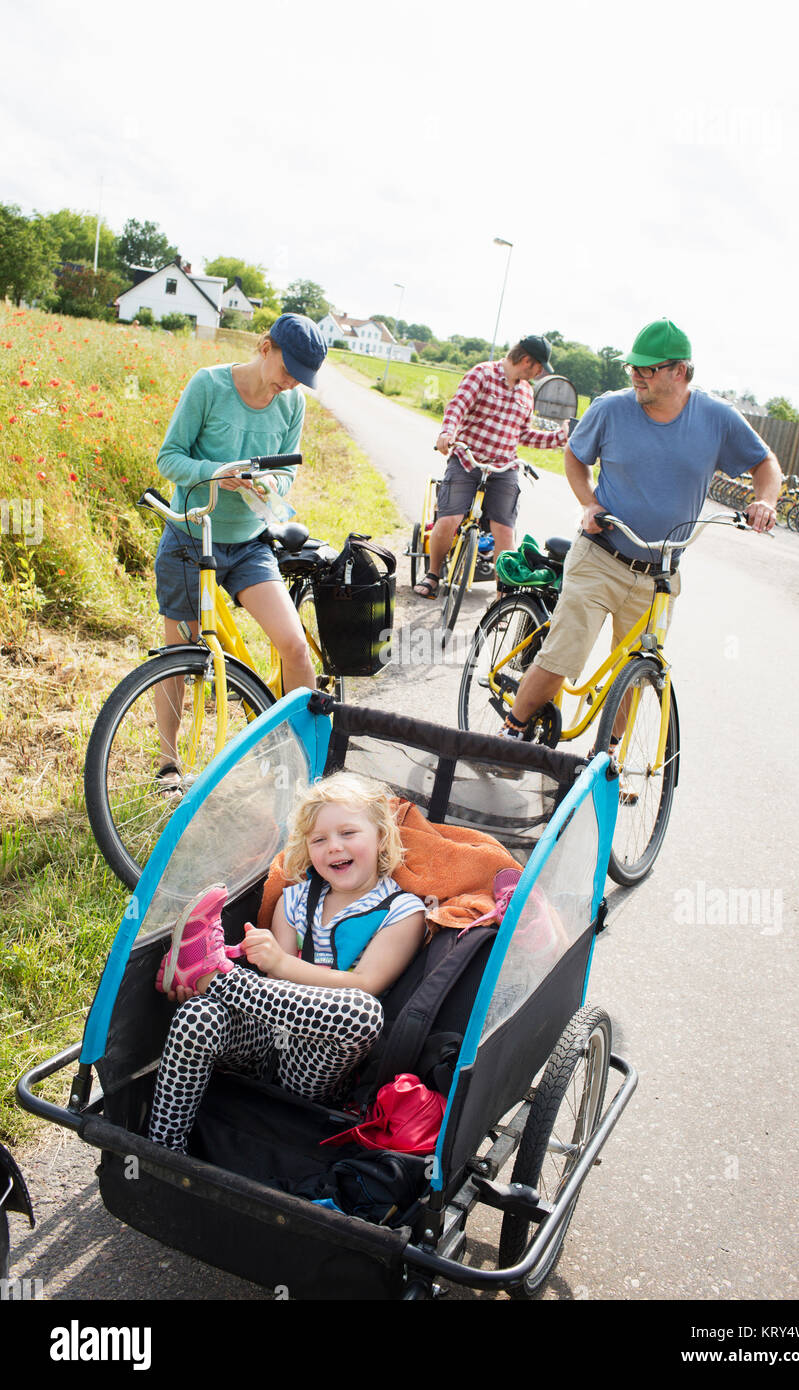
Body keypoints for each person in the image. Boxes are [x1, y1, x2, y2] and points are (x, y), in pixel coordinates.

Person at [500, 317, 782, 738]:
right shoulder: (612, 408)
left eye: (646, 369)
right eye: (632, 367)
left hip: (659, 576)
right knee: (564, 654)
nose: (635, 376)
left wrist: (765, 500)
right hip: (600, 555)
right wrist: (588, 502)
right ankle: (512, 730)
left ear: (678, 372)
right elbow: (576, 456)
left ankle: (608, 757)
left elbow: (765, 463)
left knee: (633, 668)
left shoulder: (717, 418)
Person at [147, 772, 427, 1152]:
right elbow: (271, 989)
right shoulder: (294, 900)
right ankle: (163, 1151)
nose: (334, 847)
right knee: (196, 1015)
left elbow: (367, 983)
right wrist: (266, 960)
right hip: (262, 1038)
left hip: (320, 1066)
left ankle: (209, 976)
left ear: (380, 835)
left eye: (348, 833)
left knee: (363, 1012)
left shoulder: (402, 911)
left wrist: (280, 963)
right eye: (319, 839)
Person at [152, 314, 328, 791]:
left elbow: (288, 472)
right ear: (264, 346)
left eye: (299, 379)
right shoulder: (209, 386)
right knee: (179, 654)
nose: (290, 384)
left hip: (250, 543)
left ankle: (303, 764)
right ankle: (169, 766)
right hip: (193, 536)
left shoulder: (291, 404)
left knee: (292, 644)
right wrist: (216, 471)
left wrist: (270, 482)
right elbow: (168, 457)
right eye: (287, 371)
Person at [413, 335, 569, 598]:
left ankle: (502, 595)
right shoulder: (482, 374)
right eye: (539, 366)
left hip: (502, 468)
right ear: (526, 360)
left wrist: (558, 438)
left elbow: (522, 435)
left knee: (504, 530)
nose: (540, 373)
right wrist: (447, 432)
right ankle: (433, 573)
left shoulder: (526, 392)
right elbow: (457, 406)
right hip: (467, 460)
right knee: (450, 518)